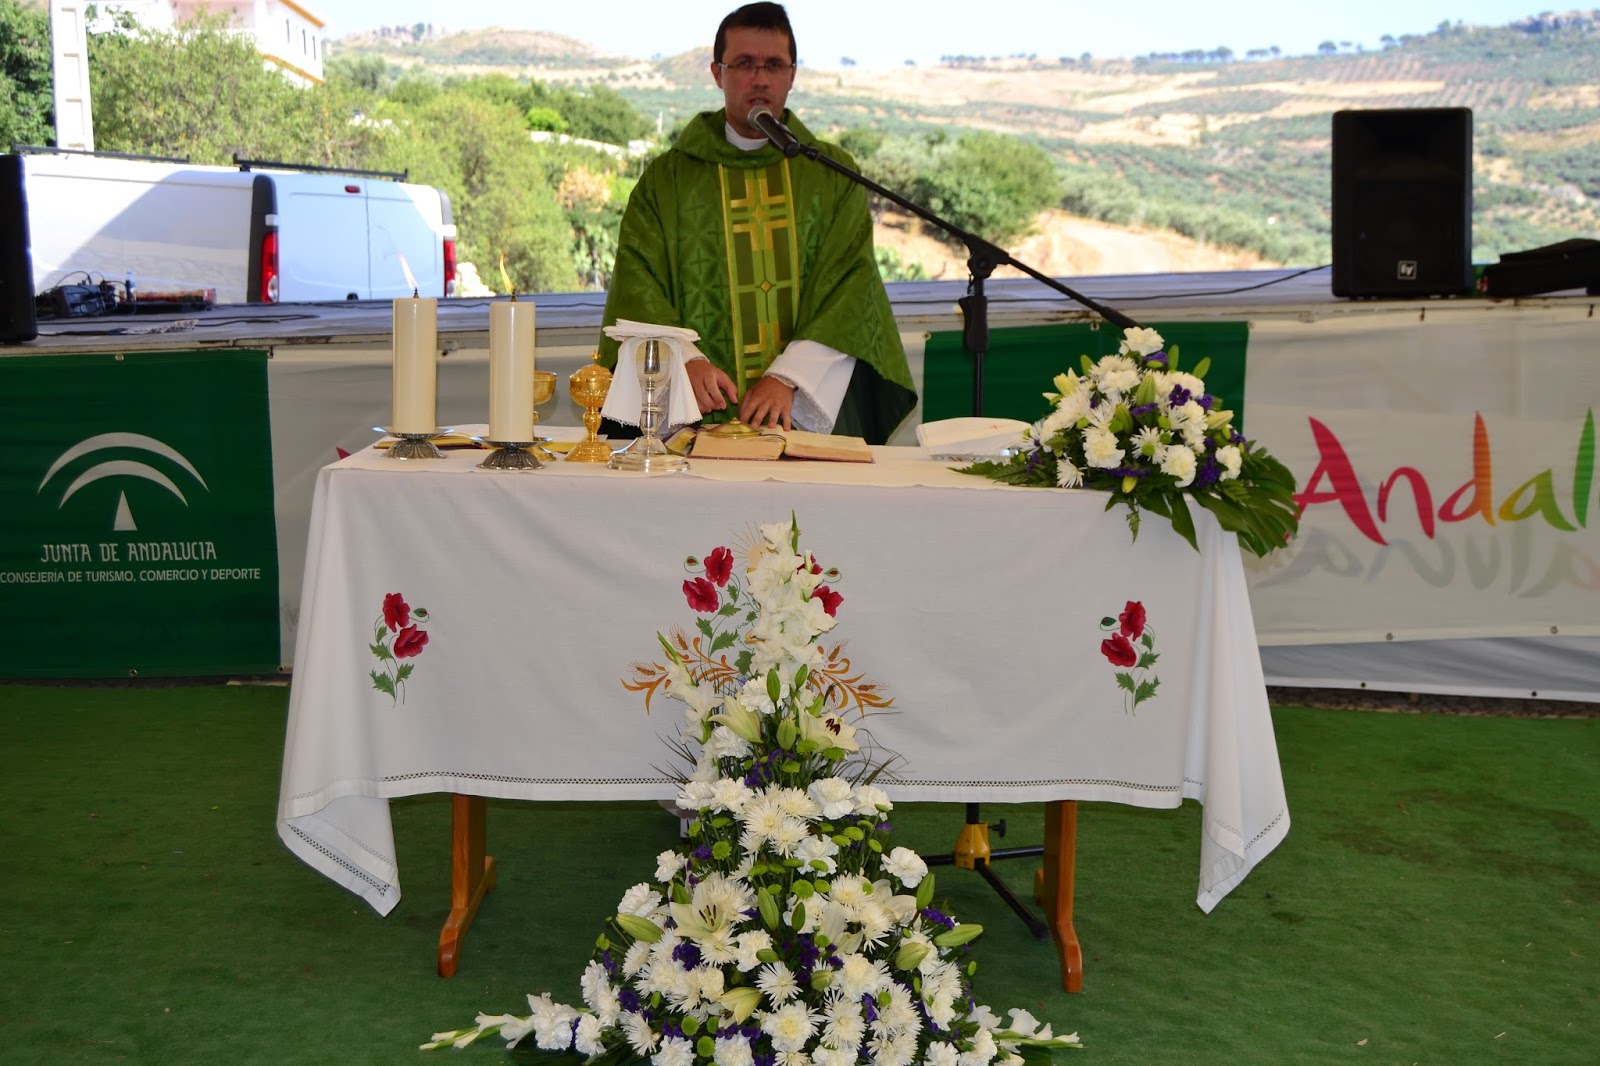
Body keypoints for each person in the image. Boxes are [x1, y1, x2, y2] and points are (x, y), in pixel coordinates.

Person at [597, 2, 916, 444]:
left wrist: (788, 379)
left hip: (793, 416)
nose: (760, 79)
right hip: (692, 415)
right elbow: (638, 285)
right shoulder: (668, 180)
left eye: (773, 65)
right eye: (744, 64)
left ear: (792, 74)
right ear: (717, 72)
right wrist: (683, 362)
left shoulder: (830, 175)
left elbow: (849, 290)